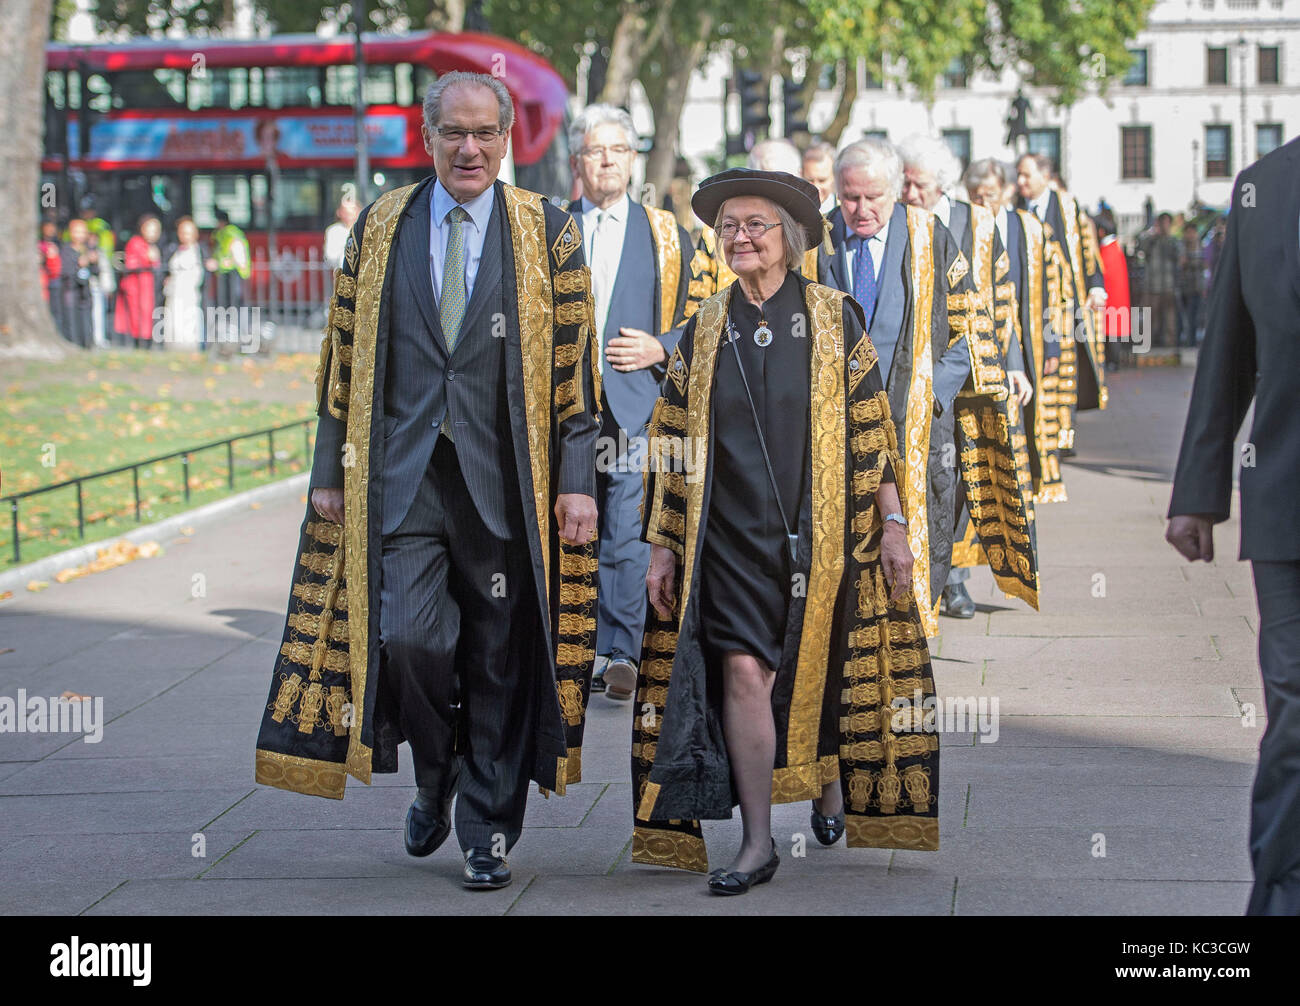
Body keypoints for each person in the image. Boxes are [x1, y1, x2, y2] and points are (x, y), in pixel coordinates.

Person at [254, 71, 600, 892]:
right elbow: (340, 353)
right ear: (429, 135)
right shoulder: (382, 225)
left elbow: (572, 372)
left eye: (485, 134)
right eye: (454, 134)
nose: (470, 148)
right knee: (410, 641)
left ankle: (485, 831)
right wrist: (326, 469)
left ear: (507, 137)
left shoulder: (547, 232)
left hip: (506, 483)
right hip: (404, 479)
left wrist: (578, 480)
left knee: (497, 658)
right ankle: (434, 772)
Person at [631, 167, 940, 890]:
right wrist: (660, 547)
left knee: (819, 667)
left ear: (789, 240)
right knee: (744, 671)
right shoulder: (704, 328)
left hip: (824, 535)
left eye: (754, 224)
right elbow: (669, 443)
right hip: (729, 538)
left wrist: (893, 523)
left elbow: (873, 431)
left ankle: (827, 781)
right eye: (728, 226)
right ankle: (758, 842)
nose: (738, 236)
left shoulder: (835, 318)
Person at [1166, 135, 1300, 915]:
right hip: (1288, 501)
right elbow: (1228, 349)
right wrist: (1197, 489)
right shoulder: (1264, 188)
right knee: (1292, 713)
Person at [808, 137, 971, 638]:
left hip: (915, 426)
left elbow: (970, 327)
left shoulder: (931, 237)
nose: (859, 210)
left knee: (915, 539)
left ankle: (912, 646)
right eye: (849, 197)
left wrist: (934, 393)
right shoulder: (818, 239)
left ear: (898, 189)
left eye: (873, 198)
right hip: (836, 425)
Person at [567, 104, 700, 700]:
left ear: (633, 160)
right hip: (566, 408)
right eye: (596, 150)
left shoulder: (668, 234)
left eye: (618, 150)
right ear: (578, 161)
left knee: (625, 529)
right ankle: (574, 647)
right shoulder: (552, 227)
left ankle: (620, 651)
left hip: (633, 406)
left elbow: (705, 317)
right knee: (570, 528)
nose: (607, 160)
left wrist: (661, 346)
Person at [900, 135, 1039, 620]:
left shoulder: (977, 224)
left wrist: (1014, 363)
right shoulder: (897, 223)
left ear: (941, 184)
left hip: (975, 373)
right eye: (905, 183)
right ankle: (935, 581)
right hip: (920, 370)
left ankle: (953, 576)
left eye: (918, 184)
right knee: (930, 476)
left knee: (965, 476)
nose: (909, 192)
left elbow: (1004, 301)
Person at [967, 157, 1067, 504]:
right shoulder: (965, 229)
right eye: (976, 196)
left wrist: (1052, 347)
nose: (983, 203)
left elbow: (1052, 293)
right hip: (986, 340)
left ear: (1007, 192)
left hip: (1029, 339)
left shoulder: (1029, 228)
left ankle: (1027, 486)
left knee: (1029, 414)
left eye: (991, 195)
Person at [1016, 153, 1107, 454]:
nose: (1021, 182)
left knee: (1065, 370)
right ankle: (1040, 431)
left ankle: (1064, 437)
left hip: (1064, 305)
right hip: (1031, 305)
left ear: (1045, 175)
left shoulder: (1068, 206)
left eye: (1026, 175)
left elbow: (1087, 248)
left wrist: (1096, 286)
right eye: (1019, 175)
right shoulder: (1016, 209)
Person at [115, 215, 162, 350]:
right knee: (137, 314)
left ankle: (146, 341)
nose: (153, 233)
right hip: (136, 286)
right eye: (150, 229)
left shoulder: (152, 246)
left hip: (148, 286)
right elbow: (132, 263)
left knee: (147, 313)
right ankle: (139, 342)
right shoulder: (135, 243)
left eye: (156, 230)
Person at [1095, 211, 1132, 369]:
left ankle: (1113, 361)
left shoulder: (1108, 249)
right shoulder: (1114, 247)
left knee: (1112, 331)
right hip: (1116, 296)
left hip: (1112, 297)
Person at [206, 210, 250, 346]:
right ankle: (233, 335)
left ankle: (236, 336)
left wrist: (218, 264)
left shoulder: (229, 233)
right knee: (230, 305)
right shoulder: (225, 232)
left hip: (233, 273)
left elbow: (234, 253)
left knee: (232, 305)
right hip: (229, 273)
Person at [163, 217, 207, 350]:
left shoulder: (200, 251)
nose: (185, 236)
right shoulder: (172, 249)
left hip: (190, 293)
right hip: (175, 292)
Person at [1138, 212, 1180, 349]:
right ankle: (1148, 343)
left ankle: (1170, 345)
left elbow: (1180, 257)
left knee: (1170, 319)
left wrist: (1167, 237)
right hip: (1152, 286)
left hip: (1169, 285)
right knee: (1150, 317)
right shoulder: (1151, 239)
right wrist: (1154, 235)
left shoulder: (1173, 241)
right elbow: (1141, 247)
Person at [59, 218, 99, 349]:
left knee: (86, 316)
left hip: (85, 291)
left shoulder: (89, 250)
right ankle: (73, 343)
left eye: (83, 232)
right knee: (72, 318)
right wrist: (78, 264)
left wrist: (93, 262)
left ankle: (87, 343)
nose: (80, 235)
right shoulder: (65, 250)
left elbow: (95, 272)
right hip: (70, 291)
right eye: (77, 232)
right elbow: (65, 271)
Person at [1176, 222, 1205, 348]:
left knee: (1195, 316)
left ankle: (1192, 341)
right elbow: (1179, 265)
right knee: (1184, 316)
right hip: (1184, 287)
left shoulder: (1202, 247)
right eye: (1188, 232)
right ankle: (1184, 340)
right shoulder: (1180, 247)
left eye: (1193, 232)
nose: (1191, 235)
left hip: (1197, 286)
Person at [802, 140, 837, 214]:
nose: (816, 187)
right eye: (810, 180)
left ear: (834, 176)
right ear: (801, 175)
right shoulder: (792, 212)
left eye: (822, 180)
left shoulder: (844, 212)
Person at [324, 196, 360, 269]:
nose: (349, 214)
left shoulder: (366, 229)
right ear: (339, 212)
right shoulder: (333, 231)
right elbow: (330, 257)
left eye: (352, 210)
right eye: (346, 211)